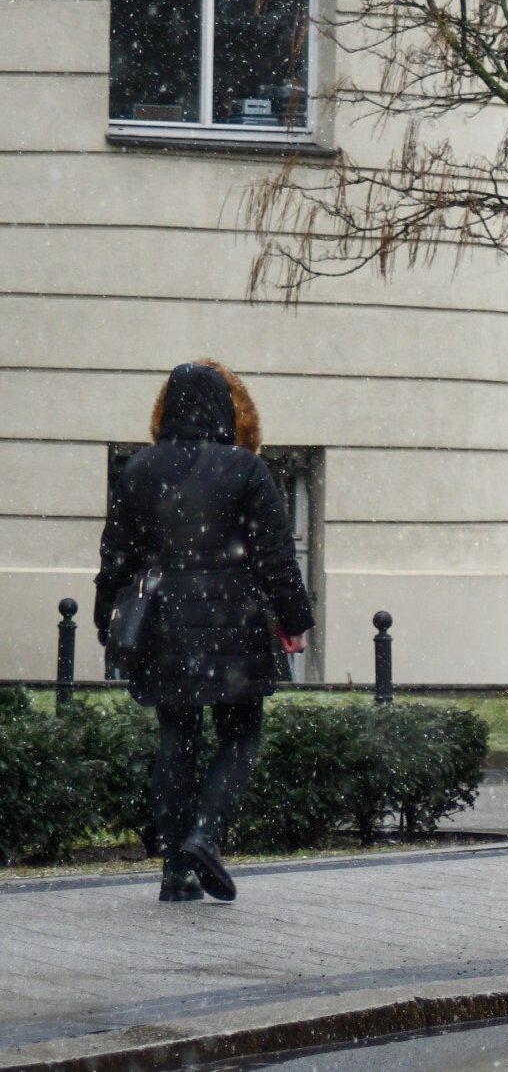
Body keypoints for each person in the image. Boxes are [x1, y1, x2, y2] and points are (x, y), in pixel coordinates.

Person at [94, 362, 314, 903]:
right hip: (232, 622)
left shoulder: (141, 469)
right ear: (222, 408)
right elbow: (276, 558)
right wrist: (294, 621)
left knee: (177, 738)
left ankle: (175, 871)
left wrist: (107, 618)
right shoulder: (245, 470)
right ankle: (206, 835)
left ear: (169, 408)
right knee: (241, 733)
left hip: (166, 625)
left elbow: (115, 555)